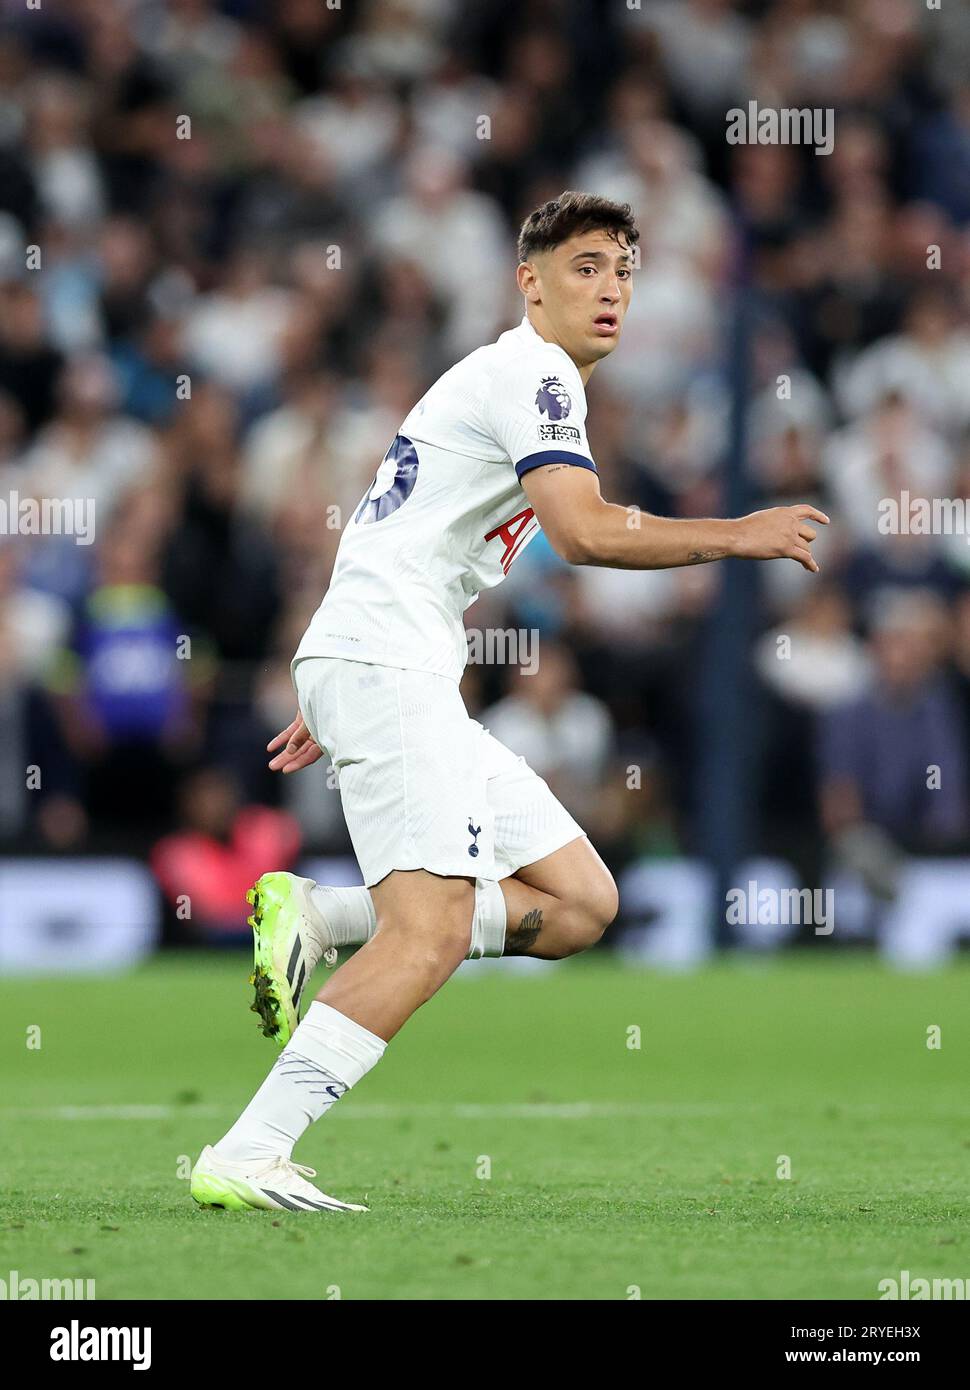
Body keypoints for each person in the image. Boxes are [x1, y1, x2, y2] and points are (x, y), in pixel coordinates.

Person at [190, 191, 827, 1213]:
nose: (610, 286)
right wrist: (738, 531)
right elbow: (581, 533)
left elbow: (394, 523)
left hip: (393, 664)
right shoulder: (530, 374)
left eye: (623, 267)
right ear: (528, 283)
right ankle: (249, 1149)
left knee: (582, 904)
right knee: (429, 932)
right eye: (584, 267)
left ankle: (321, 911)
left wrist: (340, 677)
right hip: (386, 662)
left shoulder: (515, 382)